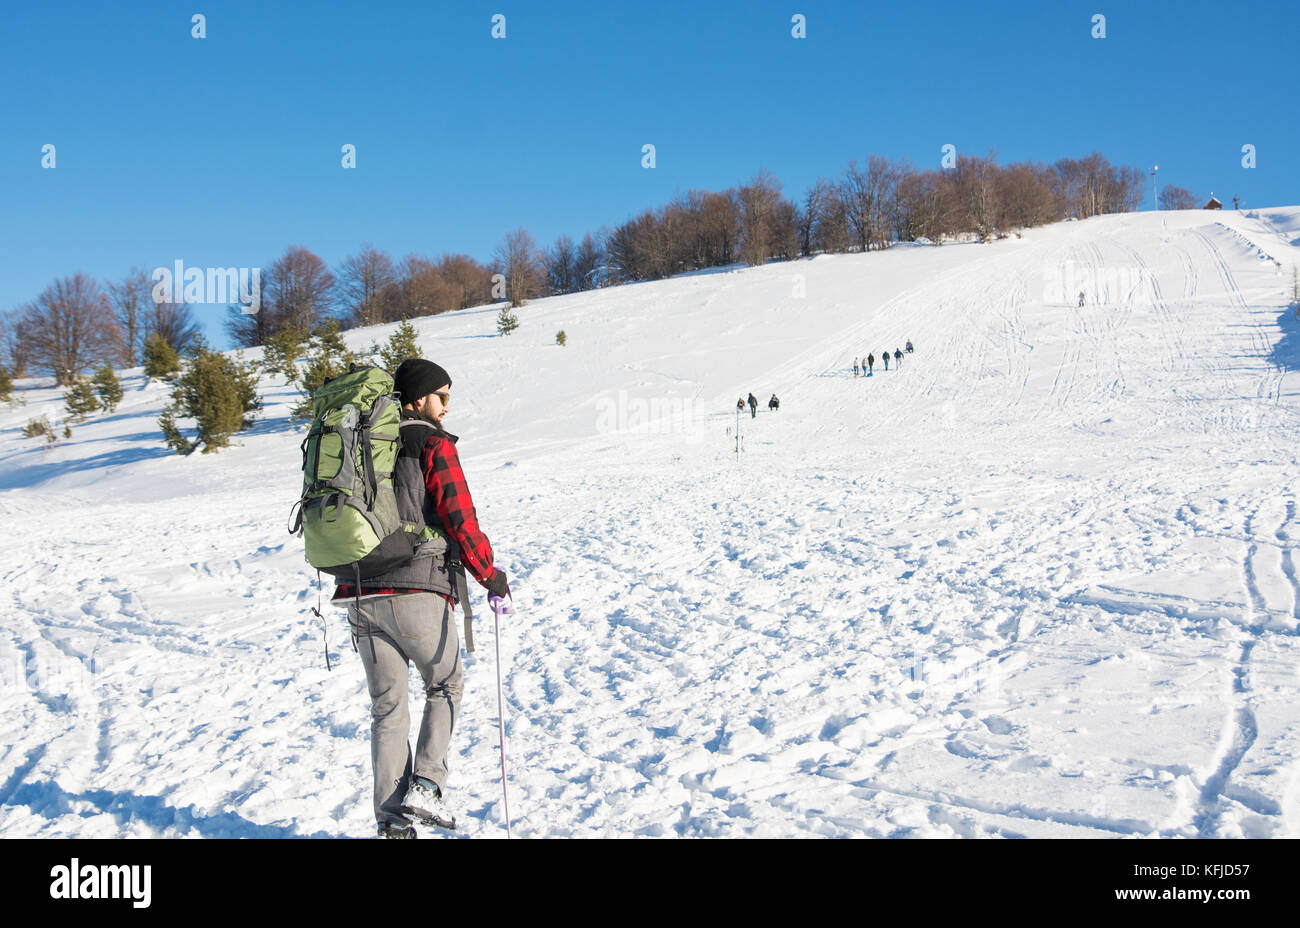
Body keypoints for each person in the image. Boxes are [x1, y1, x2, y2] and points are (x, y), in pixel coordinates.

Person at [333, 358, 511, 839]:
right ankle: (428, 785)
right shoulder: (430, 442)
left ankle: (391, 824)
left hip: (357, 593)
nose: (446, 408)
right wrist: (489, 574)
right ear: (418, 399)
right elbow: (459, 517)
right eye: (442, 396)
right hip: (416, 589)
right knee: (446, 685)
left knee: (388, 709)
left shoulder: (365, 441)